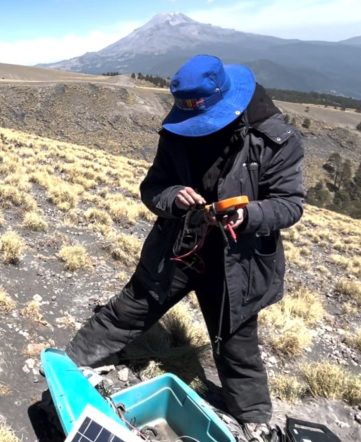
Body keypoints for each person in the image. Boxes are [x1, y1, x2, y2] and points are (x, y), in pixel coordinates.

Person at [64, 55, 304, 441]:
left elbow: (290, 204)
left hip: (237, 261)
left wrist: (250, 214)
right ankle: (71, 362)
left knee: (237, 339)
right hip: (179, 246)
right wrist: (174, 197)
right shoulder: (176, 132)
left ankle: (252, 417)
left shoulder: (274, 139)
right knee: (133, 305)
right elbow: (152, 188)